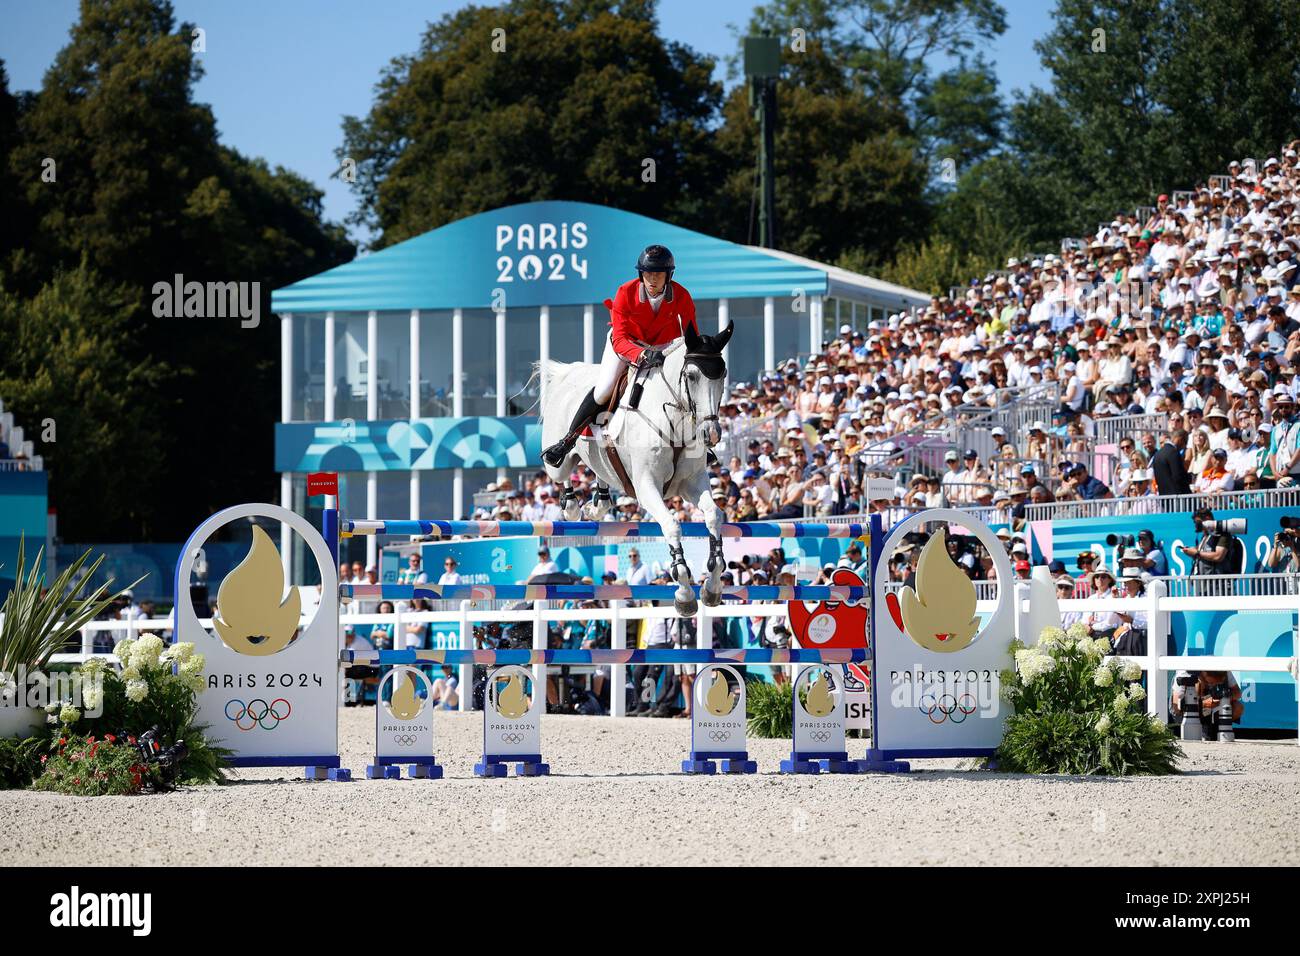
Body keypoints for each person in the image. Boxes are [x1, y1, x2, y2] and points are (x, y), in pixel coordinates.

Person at [542, 244, 698, 465]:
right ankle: (567, 441)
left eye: (658, 275)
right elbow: (621, 338)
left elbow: (691, 334)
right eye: (648, 274)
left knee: (684, 386)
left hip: (664, 348)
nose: (652, 280)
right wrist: (641, 354)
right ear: (640, 274)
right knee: (604, 390)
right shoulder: (625, 292)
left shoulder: (681, 295)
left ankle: (695, 442)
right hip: (626, 345)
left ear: (669, 275)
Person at [1169, 670, 1243, 737]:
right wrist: (1202, 704)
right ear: (1204, 673)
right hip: (1186, 711)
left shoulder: (1224, 670)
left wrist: (1222, 700)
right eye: (1211, 683)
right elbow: (1177, 708)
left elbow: (1238, 693)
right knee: (1197, 685)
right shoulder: (1185, 673)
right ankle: (1196, 730)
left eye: (1218, 683)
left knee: (1237, 707)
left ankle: (1217, 732)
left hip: (1211, 708)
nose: (1213, 685)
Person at [1152, 427, 1193, 495]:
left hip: (1164, 498)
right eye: (1185, 442)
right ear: (1180, 439)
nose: (1184, 446)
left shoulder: (1157, 454)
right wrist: (1190, 478)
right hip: (1178, 498)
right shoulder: (1173, 452)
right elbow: (1178, 476)